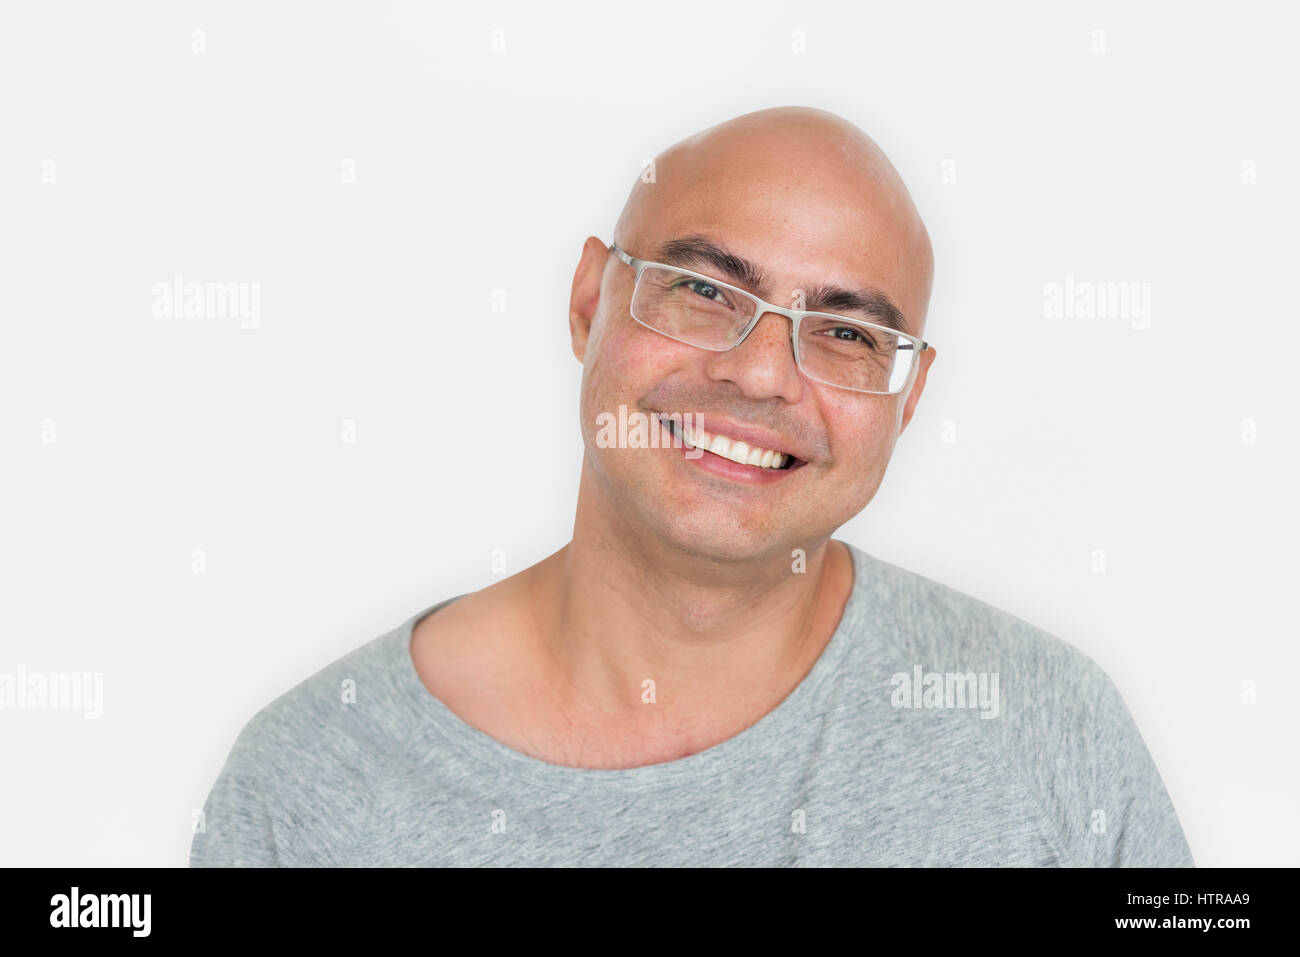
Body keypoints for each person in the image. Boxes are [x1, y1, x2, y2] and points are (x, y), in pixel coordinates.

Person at [190, 106, 1194, 867]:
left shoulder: (1046, 728)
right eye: (708, 290)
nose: (759, 373)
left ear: (908, 396)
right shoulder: (311, 784)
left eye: (846, 333)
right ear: (591, 301)